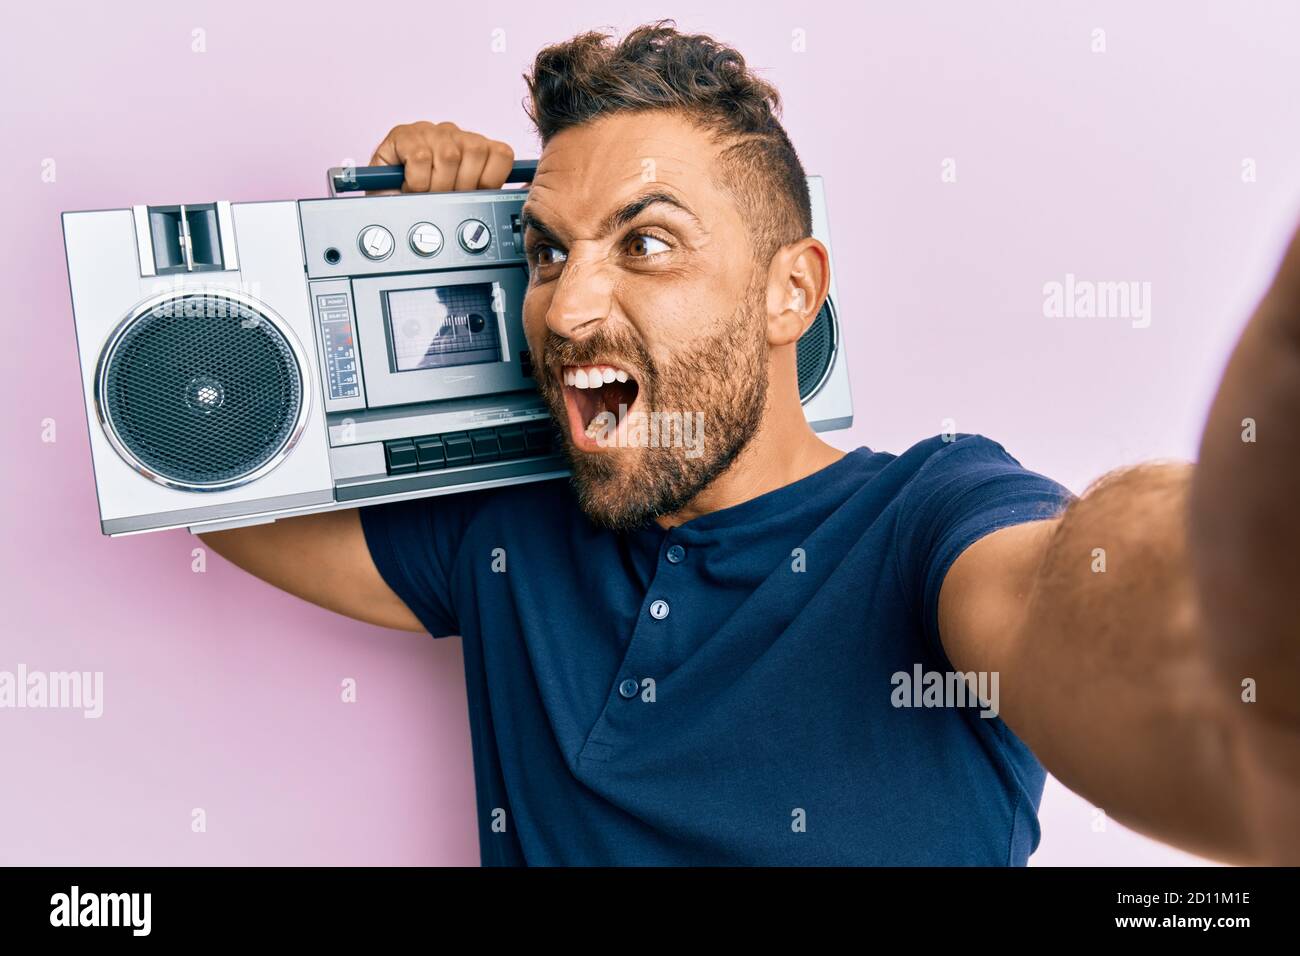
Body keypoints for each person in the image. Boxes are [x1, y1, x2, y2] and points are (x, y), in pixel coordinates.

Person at [200, 21, 1299, 865]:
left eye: (647, 242)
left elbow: (1087, 599)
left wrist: (1237, 598)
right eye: (542, 253)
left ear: (791, 291)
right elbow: (205, 476)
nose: (568, 308)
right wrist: (381, 250)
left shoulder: (925, 519)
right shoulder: (508, 537)